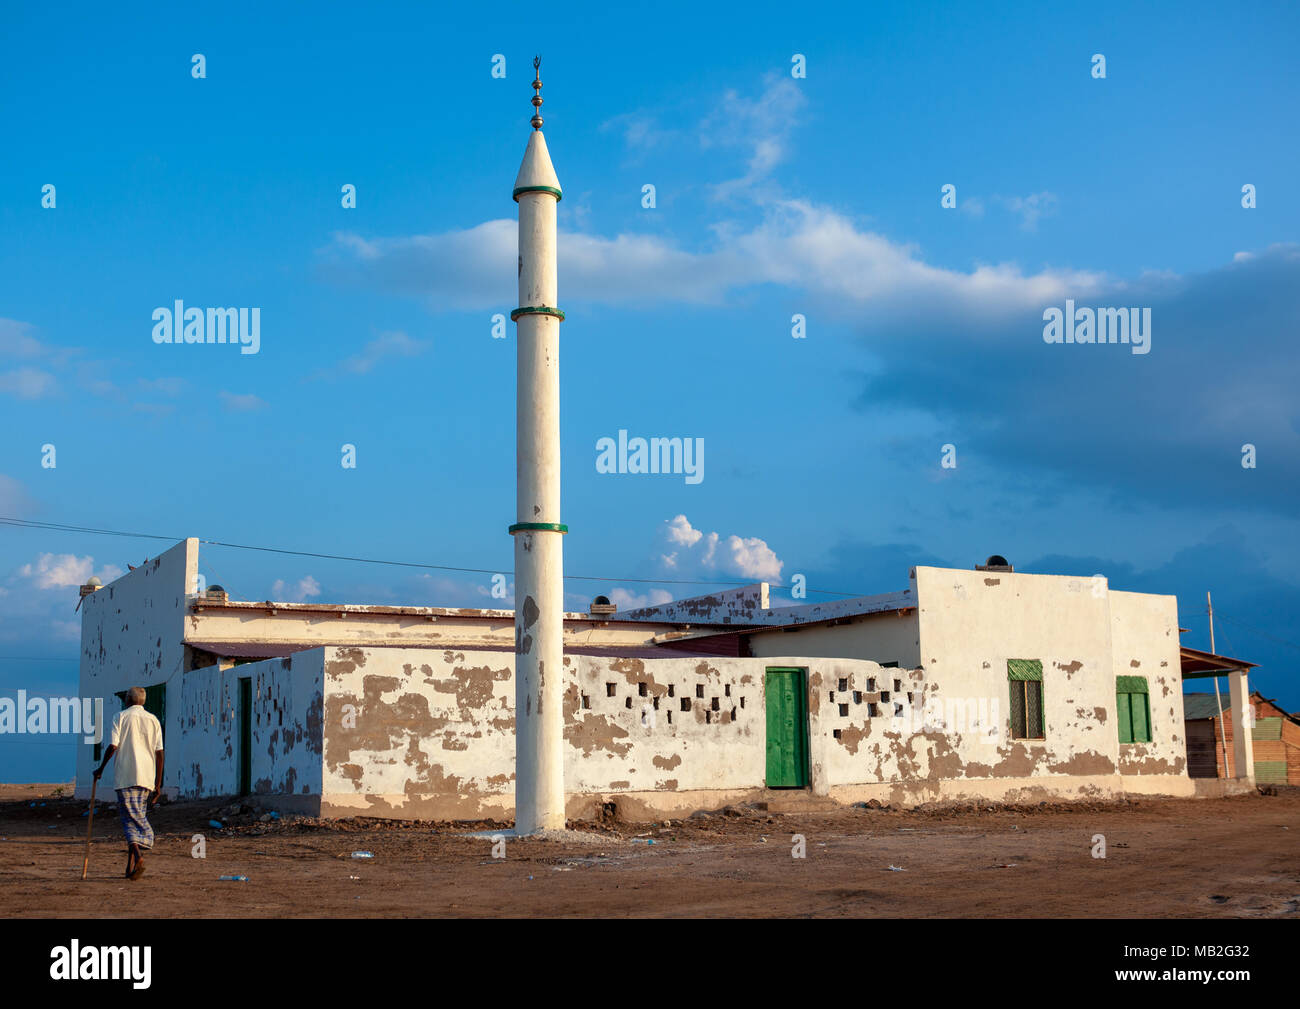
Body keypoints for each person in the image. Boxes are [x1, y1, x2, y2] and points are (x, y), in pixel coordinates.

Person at [93, 686, 164, 880]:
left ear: (128, 700)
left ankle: (139, 857)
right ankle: (129, 867)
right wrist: (158, 784)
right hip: (147, 778)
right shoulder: (153, 720)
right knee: (136, 817)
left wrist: (100, 769)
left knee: (129, 820)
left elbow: (113, 746)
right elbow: (159, 753)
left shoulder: (120, 717)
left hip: (126, 776)